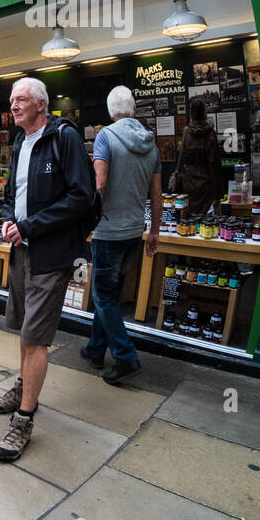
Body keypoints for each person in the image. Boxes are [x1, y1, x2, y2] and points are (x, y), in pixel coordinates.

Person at [0, 77, 94, 462]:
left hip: (52, 255)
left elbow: (82, 197)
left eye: (20, 100)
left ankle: (24, 419)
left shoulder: (64, 138)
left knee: (36, 336)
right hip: (22, 250)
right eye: (11, 100)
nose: (12, 106)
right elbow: (16, 194)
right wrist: (7, 217)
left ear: (40, 105)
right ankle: (23, 387)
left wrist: (30, 226)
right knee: (23, 328)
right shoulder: (20, 141)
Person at [83, 86, 162, 385]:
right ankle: (94, 349)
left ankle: (126, 357)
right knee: (110, 297)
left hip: (108, 231)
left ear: (110, 110)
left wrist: (85, 220)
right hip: (134, 232)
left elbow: (99, 184)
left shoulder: (106, 137)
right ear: (134, 109)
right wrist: (154, 231)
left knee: (102, 296)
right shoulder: (150, 144)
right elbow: (157, 195)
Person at [172, 98, 220, 217]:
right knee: (206, 222)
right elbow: (214, 164)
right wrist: (217, 194)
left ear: (191, 113)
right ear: (204, 112)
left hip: (188, 181)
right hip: (206, 183)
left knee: (188, 218)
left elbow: (182, 157)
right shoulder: (210, 133)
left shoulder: (186, 131)